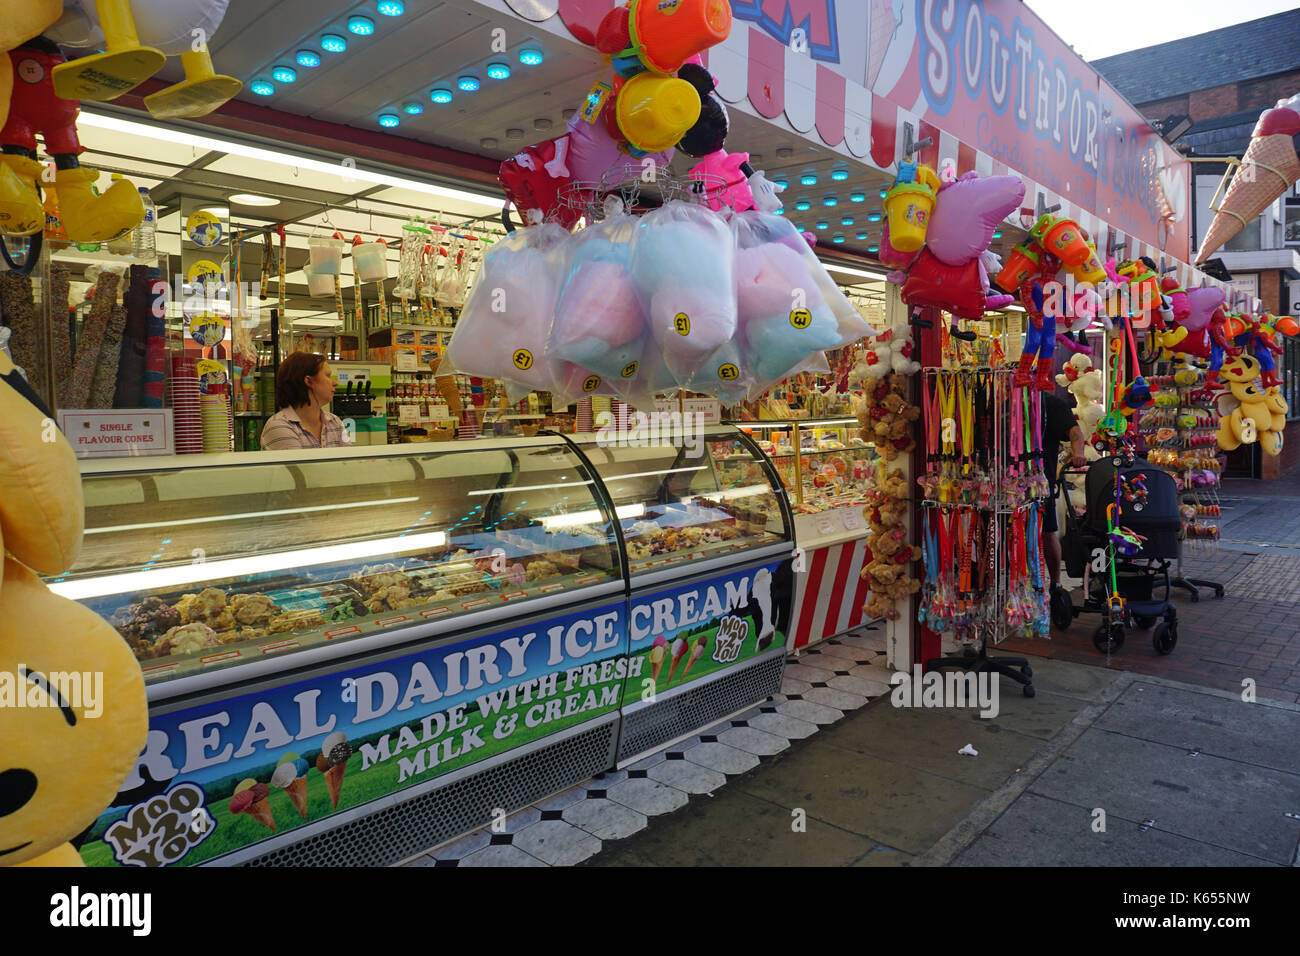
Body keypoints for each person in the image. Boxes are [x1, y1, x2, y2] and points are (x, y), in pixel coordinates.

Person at [1041, 391, 1086, 595]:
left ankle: (1056, 583)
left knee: (1048, 533)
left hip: (1041, 481)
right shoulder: (1005, 404)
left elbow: (1075, 433)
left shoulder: (1051, 403)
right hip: (1007, 482)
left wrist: (1078, 454)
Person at [260, 352, 350, 450]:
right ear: (309, 381)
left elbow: (350, 462)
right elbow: (298, 465)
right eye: (328, 375)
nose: (335, 383)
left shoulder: (335, 422)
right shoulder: (279, 426)